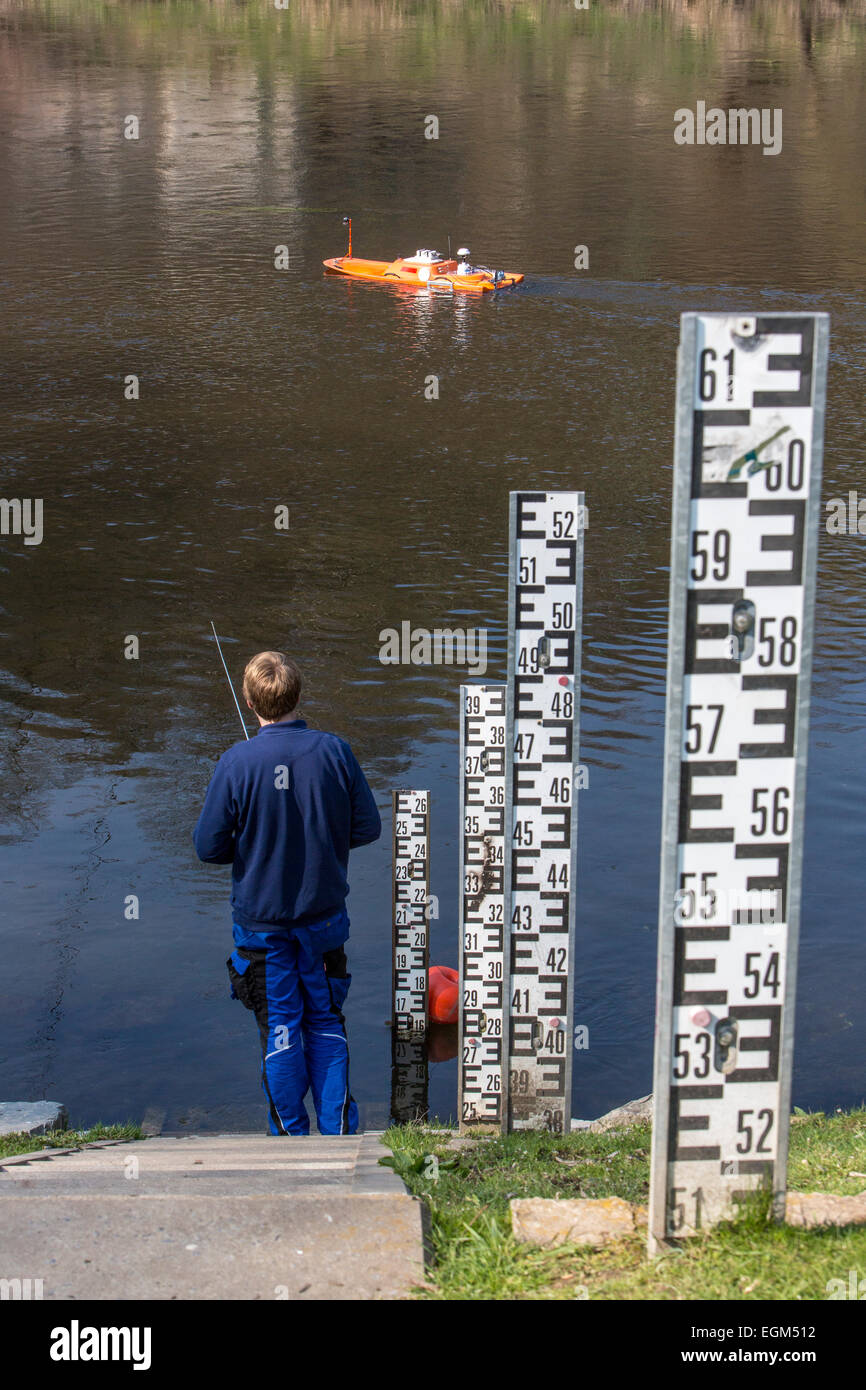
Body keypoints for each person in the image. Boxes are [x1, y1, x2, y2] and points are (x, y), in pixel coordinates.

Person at [193, 651, 381, 1135]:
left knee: (279, 1029)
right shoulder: (336, 751)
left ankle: (291, 1140)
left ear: (250, 700)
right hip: (324, 923)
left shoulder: (236, 762)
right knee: (325, 1021)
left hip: (262, 928)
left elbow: (208, 848)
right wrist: (321, 836)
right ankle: (340, 1133)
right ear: (298, 695)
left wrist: (253, 840)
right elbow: (367, 828)